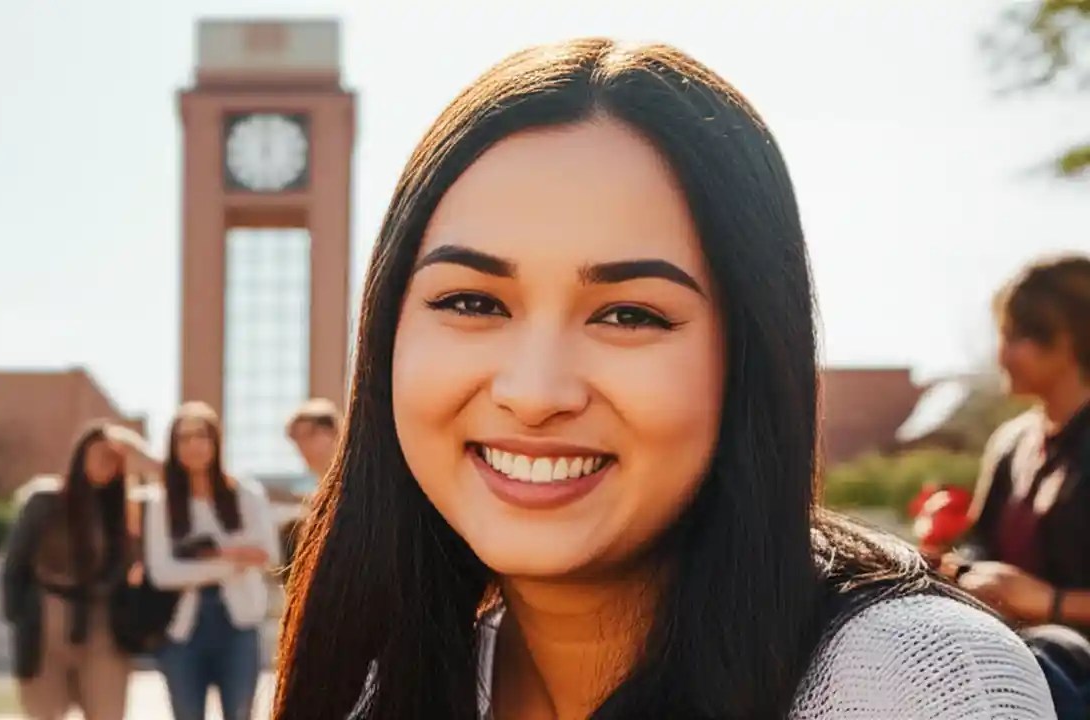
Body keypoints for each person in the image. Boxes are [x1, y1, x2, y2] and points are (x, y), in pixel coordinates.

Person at [272, 40, 1057, 719]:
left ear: (748, 354)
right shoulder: (380, 689)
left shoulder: (914, 688)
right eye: (473, 301)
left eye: (629, 315)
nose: (535, 391)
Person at [942, 255, 1090, 716]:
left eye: (1016, 337)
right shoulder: (1011, 444)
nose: (1001, 355)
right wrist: (955, 566)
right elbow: (979, 549)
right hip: (1007, 658)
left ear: (1067, 339)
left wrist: (1051, 602)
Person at [144, 402, 280, 720]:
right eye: (184, 438)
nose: (193, 445)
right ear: (173, 446)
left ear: (216, 441)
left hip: (239, 627)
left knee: (241, 714)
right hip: (182, 632)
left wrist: (206, 554)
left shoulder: (246, 493)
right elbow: (163, 573)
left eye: (201, 436)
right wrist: (233, 560)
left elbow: (268, 555)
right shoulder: (160, 501)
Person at [0, 423, 144, 720]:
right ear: (81, 455)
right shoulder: (46, 500)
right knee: (44, 712)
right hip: (46, 617)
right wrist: (20, 616)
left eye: (114, 458)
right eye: (99, 454)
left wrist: (135, 452)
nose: (106, 463)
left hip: (102, 622)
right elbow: (14, 565)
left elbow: (173, 479)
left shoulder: (126, 509)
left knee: (108, 711)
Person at [274, 398, 342, 570]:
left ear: (334, 432)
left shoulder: (355, 479)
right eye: (297, 439)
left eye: (310, 435)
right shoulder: (317, 490)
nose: (303, 446)